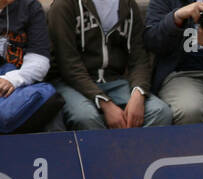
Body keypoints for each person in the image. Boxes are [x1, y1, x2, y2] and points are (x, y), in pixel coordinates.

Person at [47, 0, 171, 129]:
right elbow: (68, 65)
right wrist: (104, 103)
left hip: (114, 81)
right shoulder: (64, 5)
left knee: (160, 112)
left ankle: (131, 149)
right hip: (72, 84)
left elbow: (139, 59)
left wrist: (138, 93)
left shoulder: (128, 5)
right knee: (87, 118)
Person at [0, 0, 62, 134]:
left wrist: (13, 79)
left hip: (21, 85)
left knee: (51, 112)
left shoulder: (30, 6)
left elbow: (40, 58)